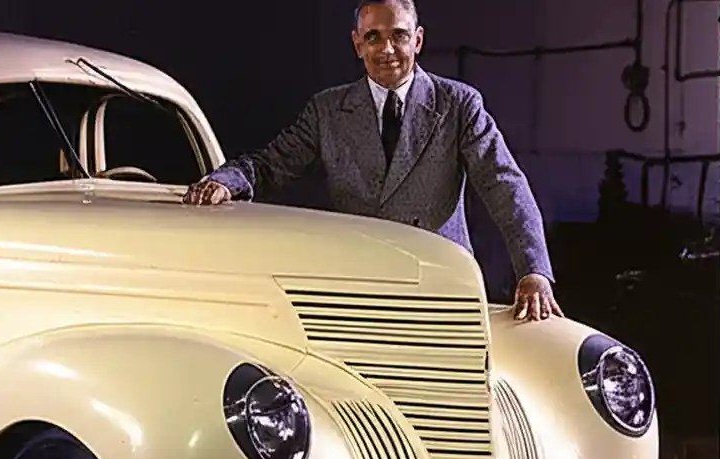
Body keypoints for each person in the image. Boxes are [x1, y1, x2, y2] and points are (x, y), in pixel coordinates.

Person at [183, 0, 562, 322]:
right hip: (358, 292)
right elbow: (269, 164)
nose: (387, 49)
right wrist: (224, 181)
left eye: (399, 35)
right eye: (373, 37)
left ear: (418, 39)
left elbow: (505, 187)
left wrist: (533, 271)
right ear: (356, 44)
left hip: (441, 290)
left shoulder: (459, 104)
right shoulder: (327, 110)